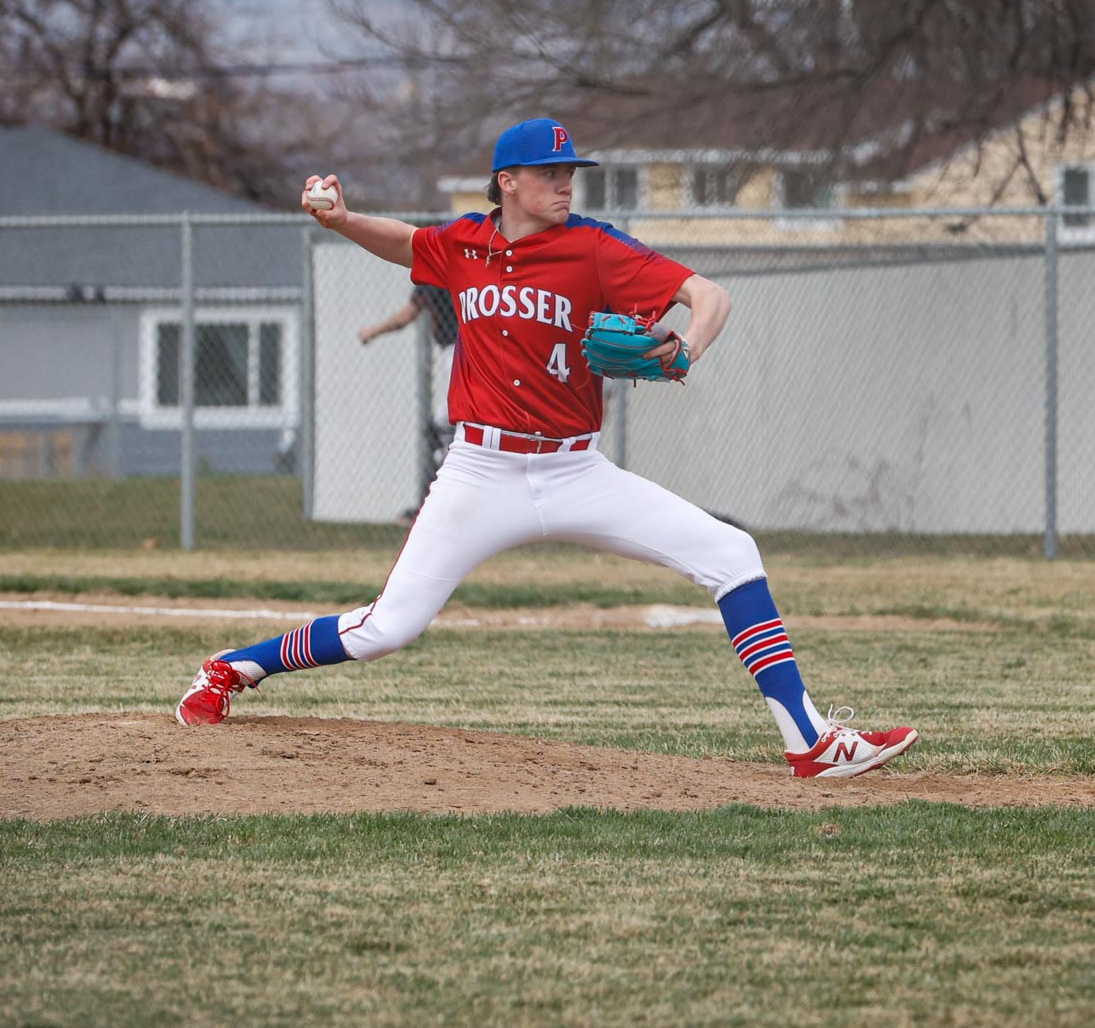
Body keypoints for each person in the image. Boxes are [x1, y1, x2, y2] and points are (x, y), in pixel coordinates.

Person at [174, 117, 917, 778]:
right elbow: (407, 244)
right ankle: (231, 668)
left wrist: (687, 346)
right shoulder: (466, 242)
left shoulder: (592, 248)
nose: (566, 184)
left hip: (573, 468)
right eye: (551, 173)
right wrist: (339, 219)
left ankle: (810, 742)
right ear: (508, 182)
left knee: (732, 554)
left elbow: (709, 295)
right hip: (480, 469)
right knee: (387, 627)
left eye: (570, 173)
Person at [361, 285, 460, 521]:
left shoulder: (438, 266)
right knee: (447, 431)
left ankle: (434, 505)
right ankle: (438, 505)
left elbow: (407, 315)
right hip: (475, 353)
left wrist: (374, 330)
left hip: (459, 354)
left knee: (443, 430)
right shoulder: (467, 261)